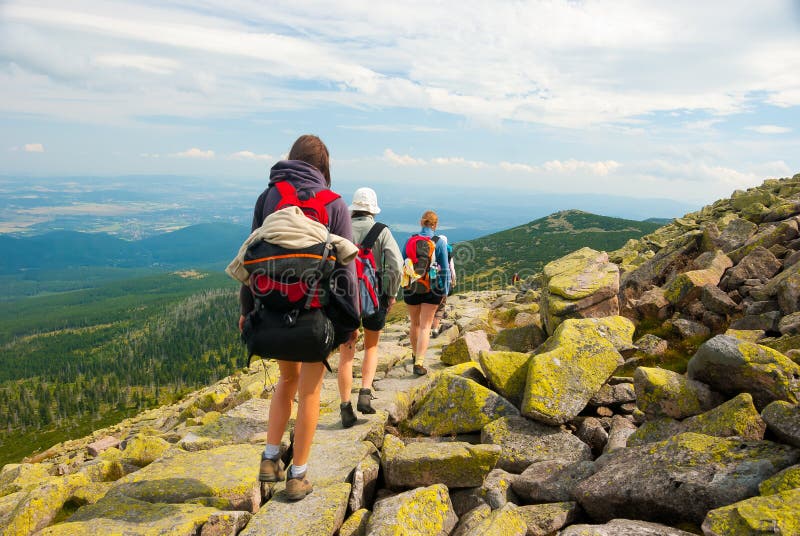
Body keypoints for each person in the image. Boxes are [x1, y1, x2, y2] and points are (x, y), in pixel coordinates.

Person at [238, 135, 358, 501]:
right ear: (324, 169)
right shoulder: (334, 205)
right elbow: (346, 271)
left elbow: (250, 253)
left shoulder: (269, 197)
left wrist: (247, 311)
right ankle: (298, 476)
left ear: (292, 160)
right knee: (310, 390)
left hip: (272, 309)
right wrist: (350, 322)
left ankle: (271, 458)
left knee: (285, 381)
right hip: (315, 316)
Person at [337, 187, 403, 428]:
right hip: (374, 298)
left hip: (345, 299)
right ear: (373, 210)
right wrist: (390, 294)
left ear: (353, 208)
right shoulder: (381, 231)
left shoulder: (340, 229)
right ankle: (365, 392)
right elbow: (395, 266)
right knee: (372, 346)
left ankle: (345, 407)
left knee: (347, 352)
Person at [402, 210, 451, 375]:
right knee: (425, 326)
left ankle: (414, 354)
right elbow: (445, 268)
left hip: (412, 287)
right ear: (435, 225)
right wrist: (444, 290)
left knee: (414, 324)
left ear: (421, 222)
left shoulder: (410, 240)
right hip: (433, 288)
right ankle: (419, 363)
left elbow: (403, 263)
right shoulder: (440, 242)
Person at [430, 235, 456, 338]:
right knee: (440, 307)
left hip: (430, 282)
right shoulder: (448, 252)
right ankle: (435, 329)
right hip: (443, 283)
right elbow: (451, 268)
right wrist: (453, 280)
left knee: (430, 306)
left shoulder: (432, 249)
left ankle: (426, 327)